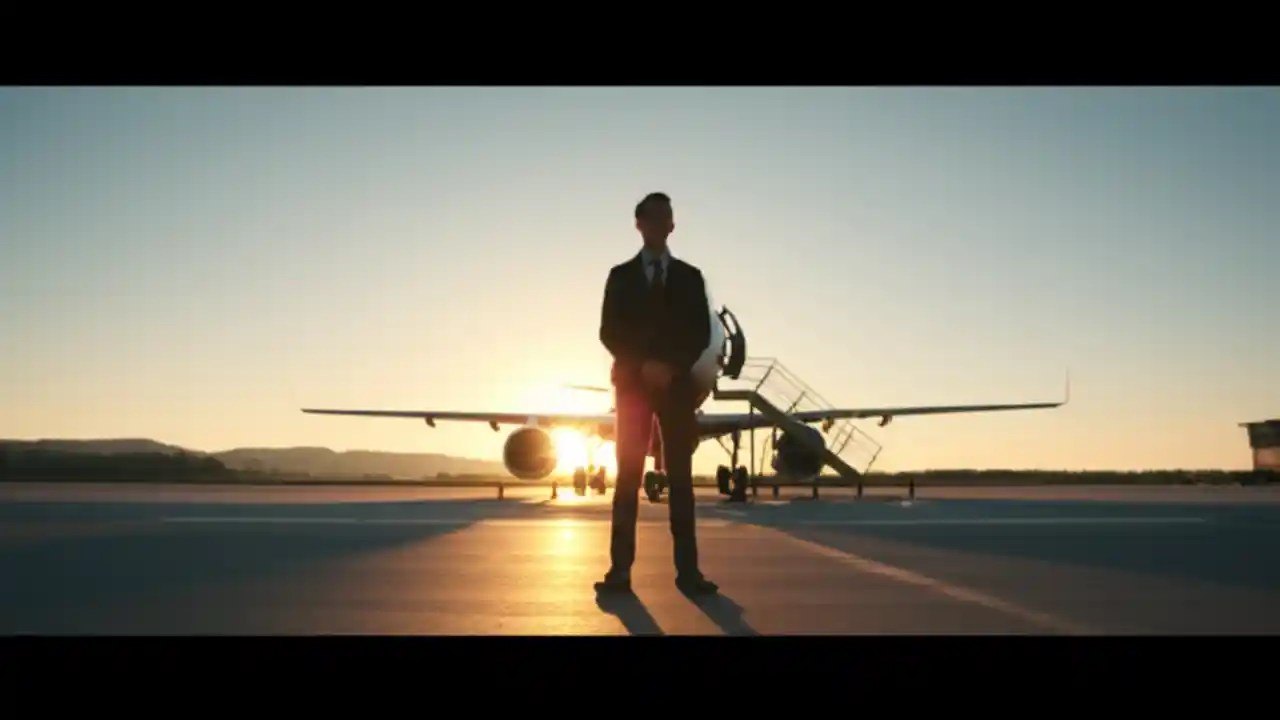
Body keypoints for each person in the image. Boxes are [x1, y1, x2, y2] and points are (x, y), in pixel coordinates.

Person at [594, 191, 719, 596]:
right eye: (653, 217)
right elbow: (608, 331)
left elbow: (700, 332)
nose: (661, 224)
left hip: (677, 389)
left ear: (671, 226)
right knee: (627, 481)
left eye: (667, 218)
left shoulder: (690, 277)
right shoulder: (619, 276)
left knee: (681, 482)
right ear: (639, 224)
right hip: (632, 391)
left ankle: (689, 574)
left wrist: (670, 366)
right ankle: (619, 573)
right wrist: (644, 366)